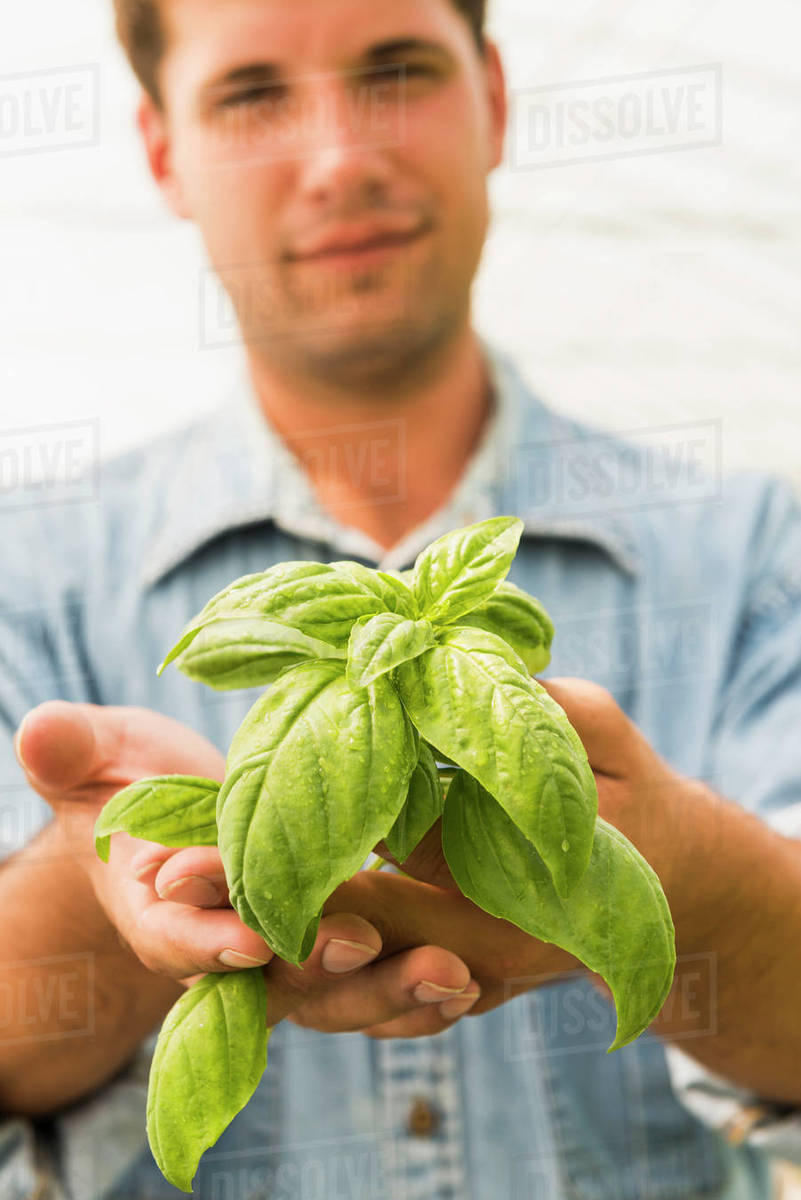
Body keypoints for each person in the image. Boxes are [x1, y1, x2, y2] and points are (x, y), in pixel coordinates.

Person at [1, 0, 800, 1195]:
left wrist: (701, 879)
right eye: (254, 94)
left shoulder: (749, 550)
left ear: (495, 99)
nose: (340, 158)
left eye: (396, 72)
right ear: (164, 150)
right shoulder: (30, 569)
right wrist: (111, 887)